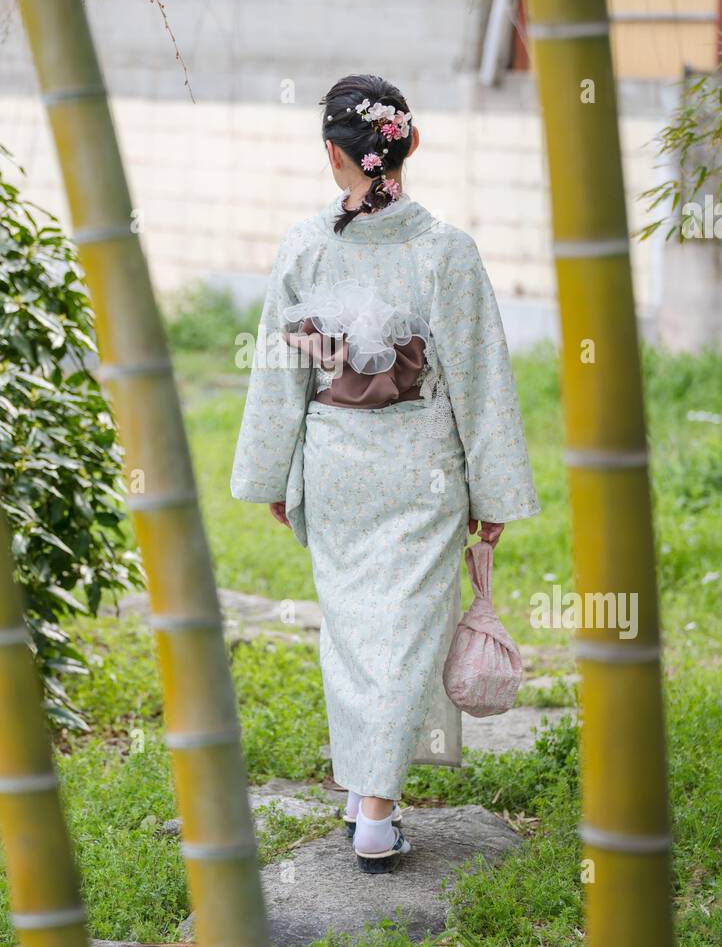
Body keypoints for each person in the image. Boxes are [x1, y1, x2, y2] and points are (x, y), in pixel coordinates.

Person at [230, 73, 539, 871]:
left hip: (337, 463)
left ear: (335, 153)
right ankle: (375, 807)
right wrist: (493, 493)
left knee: (353, 633)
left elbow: (277, 373)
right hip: (423, 467)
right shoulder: (446, 253)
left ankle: (365, 794)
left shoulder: (305, 246)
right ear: (408, 146)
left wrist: (273, 474)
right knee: (406, 632)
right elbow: (479, 379)